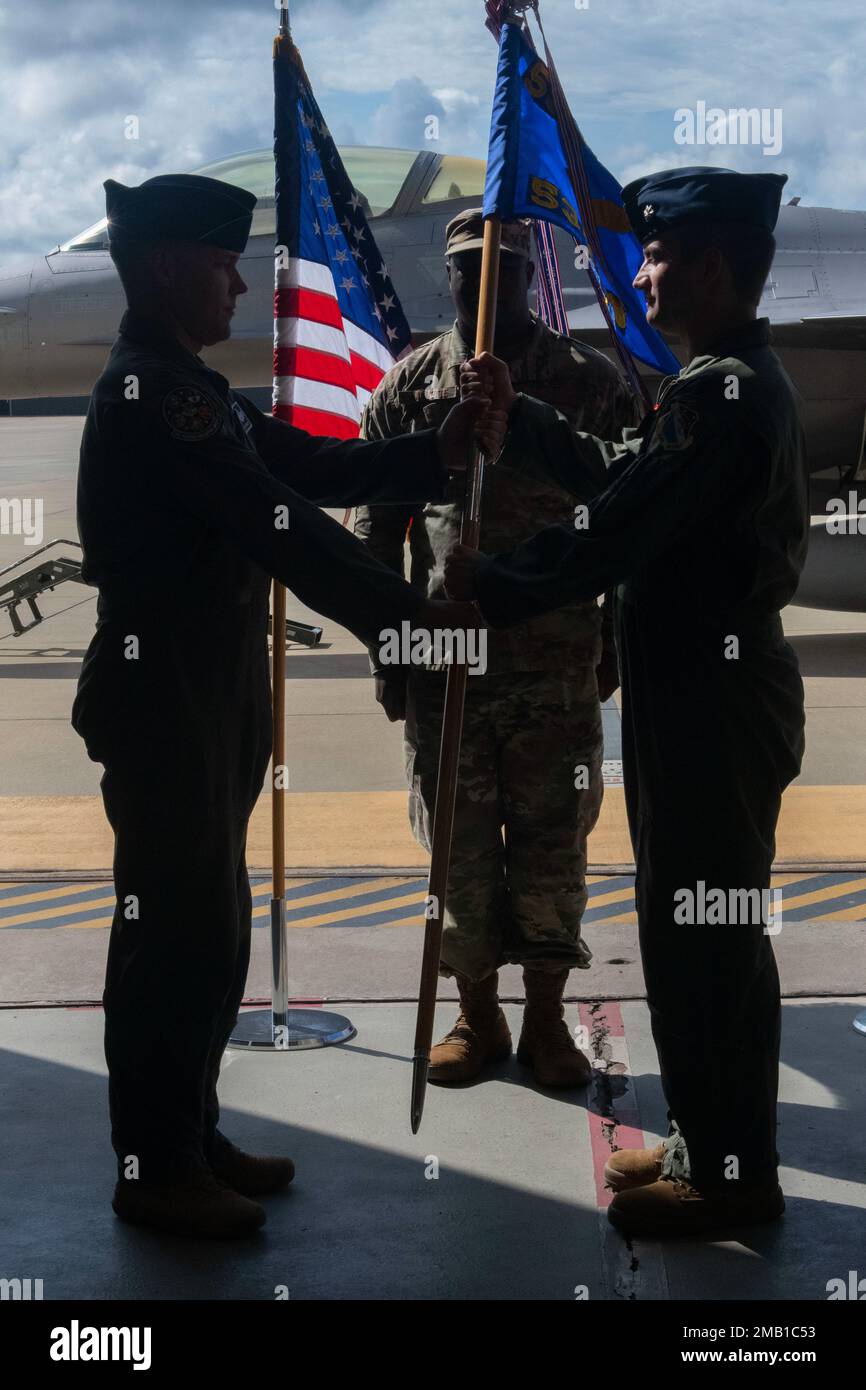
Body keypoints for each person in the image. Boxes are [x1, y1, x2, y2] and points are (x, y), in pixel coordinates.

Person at [72, 173, 496, 1240]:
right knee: (178, 939)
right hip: (168, 707)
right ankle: (153, 1165)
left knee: (209, 933)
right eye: (223, 267)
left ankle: (188, 1134)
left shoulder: (191, 389)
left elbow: (301, 463)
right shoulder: (155, 397)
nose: (239, 287)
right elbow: (283, 526)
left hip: (199, 704)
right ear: (171, 268)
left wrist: (430, 451)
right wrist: (410, 624)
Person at [446, 168, 808, 1238]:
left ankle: (731, 1178)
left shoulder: (719, 391)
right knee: (693, 926)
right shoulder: (727, 380)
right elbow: (622, 476)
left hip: (709, 704)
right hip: (701, 694)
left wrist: (493, 585)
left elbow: (612, 531)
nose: (637, 274)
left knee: (707, 938)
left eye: (654, 256)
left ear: (707, 265)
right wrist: (526, 423)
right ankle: (707, 1142)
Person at [354, 209, 635, 1090]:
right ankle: (477, 1018)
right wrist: (390, 650)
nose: (488, 283)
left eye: (506, 268)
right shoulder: (411, 386)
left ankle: (547, 1018)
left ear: (530, 274)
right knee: (459, 854)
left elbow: (631, 520)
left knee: (554, 851)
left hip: (556, 668)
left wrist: (613, 643)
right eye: (471, 267)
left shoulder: (587, 383)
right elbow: (377, 530)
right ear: (450, 276)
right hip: (449, 675)